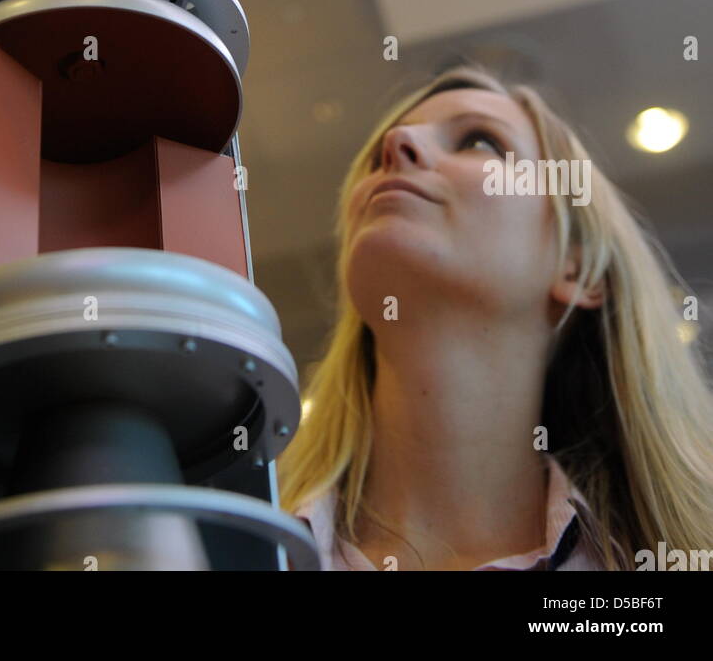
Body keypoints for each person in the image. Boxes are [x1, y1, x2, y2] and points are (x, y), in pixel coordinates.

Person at [279, 63, 713, 571]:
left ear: (578, 268)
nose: (397, 141)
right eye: (377, 156)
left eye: (480, 142)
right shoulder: (222, 548)